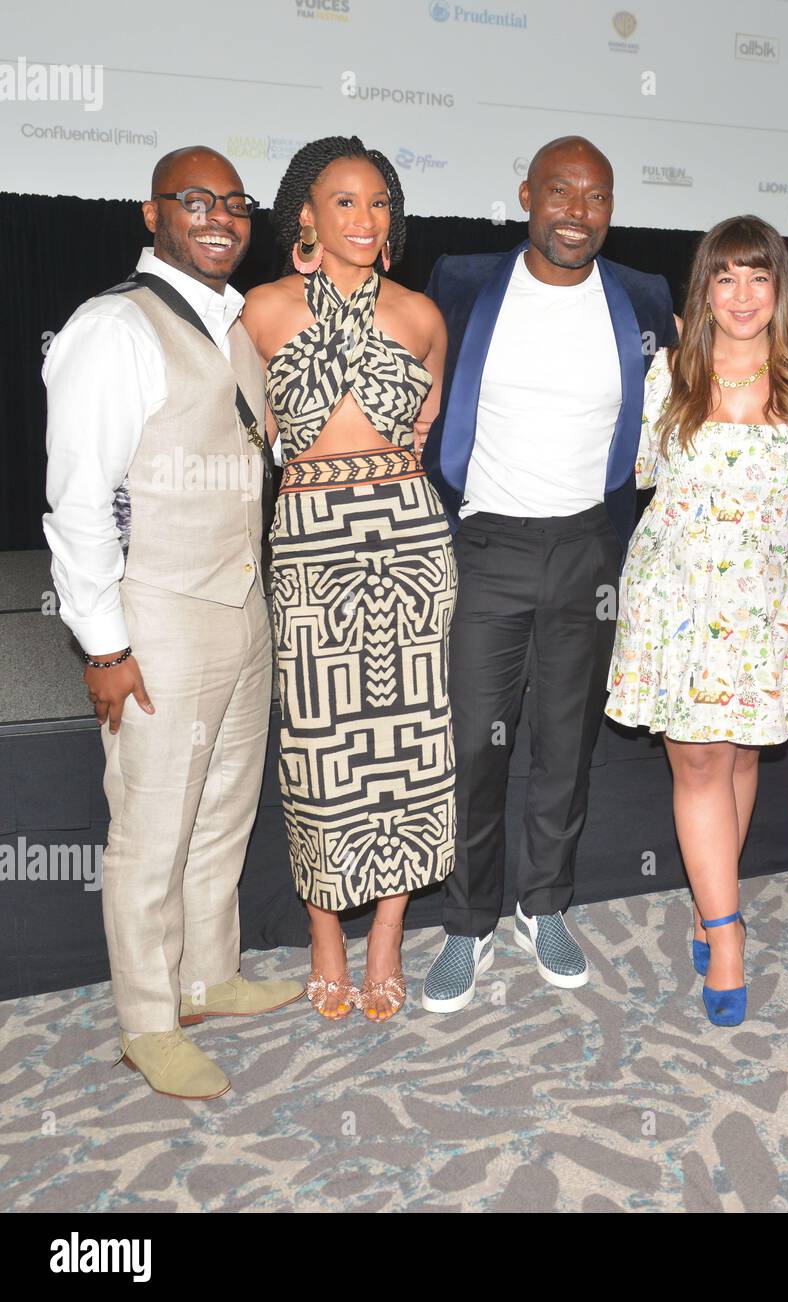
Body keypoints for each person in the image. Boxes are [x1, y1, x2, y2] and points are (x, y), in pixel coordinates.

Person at [42, 146, 303, 1101]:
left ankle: (207, 975)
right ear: (152, 215)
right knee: (151, 828)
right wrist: (105, 644)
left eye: (235, 203)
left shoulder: (233, 327)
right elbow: (78, 500)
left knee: (224, 806)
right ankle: (148, 1022)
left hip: (241, 603)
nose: (220, 217)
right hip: (156, 615)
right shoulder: (113, 326)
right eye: (195, 201)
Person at [419, 136, 677, 1012]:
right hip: (485, 546)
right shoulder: (461, 283)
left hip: (587, 551)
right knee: (474, 747)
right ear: (526, 194)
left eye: (596, 196)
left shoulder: (643, 297)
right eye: (560, 192)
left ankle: (545, 906)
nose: (577, 212)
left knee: (566, 746)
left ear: (612, 208)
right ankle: (468, 922)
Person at [242, 136, 455, 1023]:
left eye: (379, 203)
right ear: (306, 215)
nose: (365, 219)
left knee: (410, 739)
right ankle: (325, 930)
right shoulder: (260, 311)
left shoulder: (422, 315)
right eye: (344, 202)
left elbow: (424, 432)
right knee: (318, 742)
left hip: (408, 539)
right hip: (309, 540)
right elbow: (252, 436)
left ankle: (387, 937)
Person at [606, 215, 788, 1026]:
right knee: (700, 760)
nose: (741, 296)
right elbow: (640, 470)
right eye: (724, 278)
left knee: (739, 756)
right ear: (702, 290)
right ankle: (728, 933)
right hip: (676, 591)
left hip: (763, 595)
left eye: (758, 277)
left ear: (780, 290)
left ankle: (712, 906)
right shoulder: (670, 371)